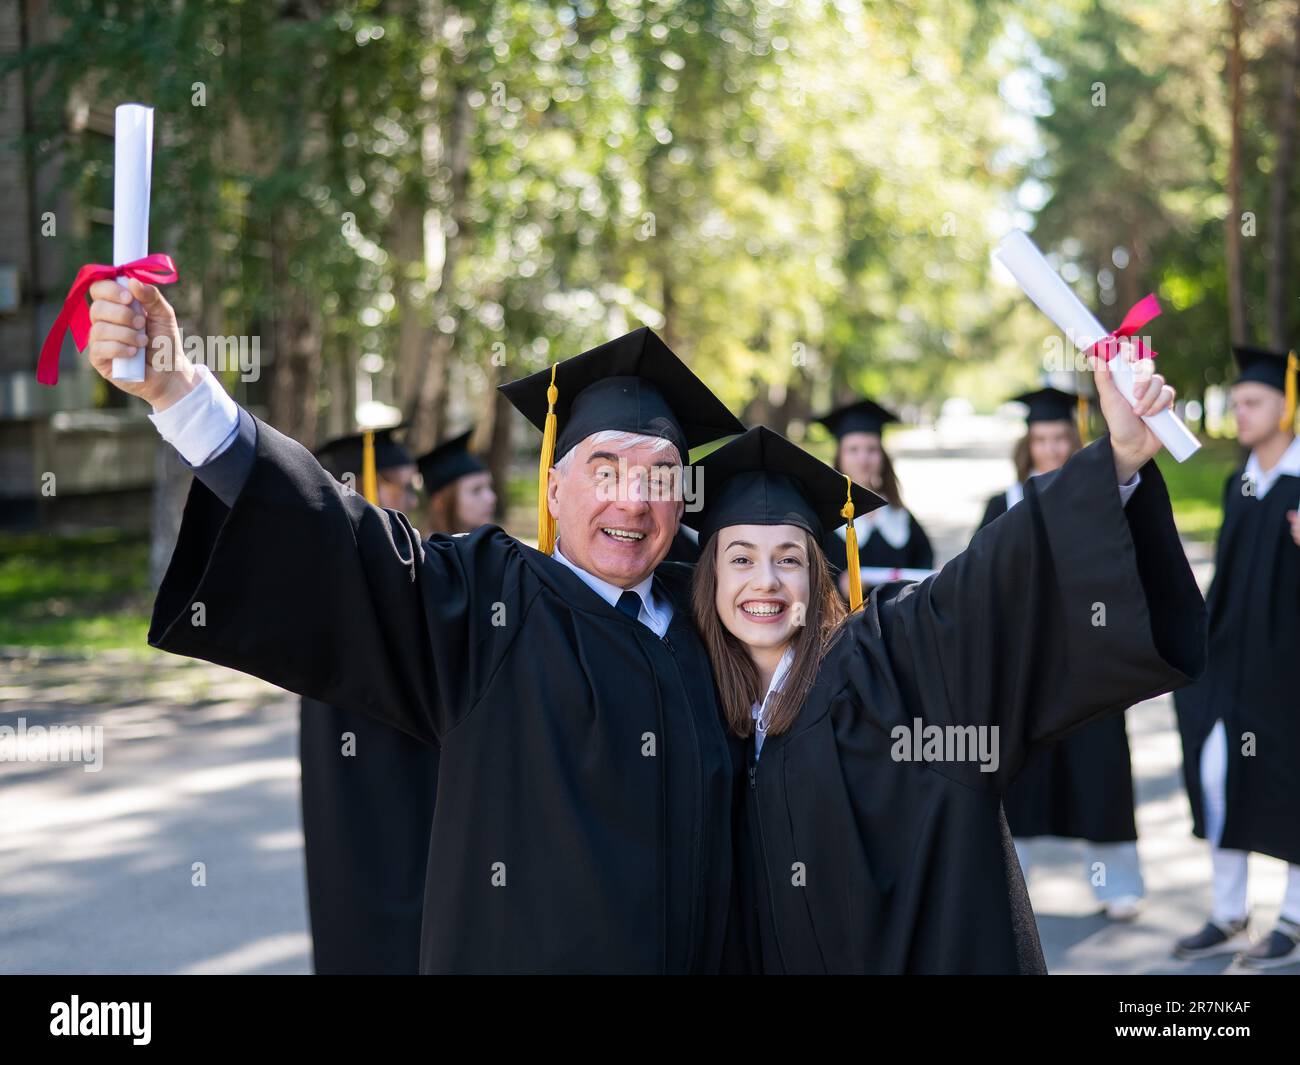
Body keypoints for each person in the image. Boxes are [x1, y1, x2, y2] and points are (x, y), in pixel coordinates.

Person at [83, 275, 746, 973]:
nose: (633, 501)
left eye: (660, 477)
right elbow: (342, 539)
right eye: (605, 470)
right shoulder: (491, 603)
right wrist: (179, 392)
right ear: (554, 486)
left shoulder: (716, 620)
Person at [690, 361, 1204, 973]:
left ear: (819, 570)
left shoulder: (882, 662)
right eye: (741, 559)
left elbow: (985, 579)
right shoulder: (694, 696)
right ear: (710, 576)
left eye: (789, 559)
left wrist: (1115, 460)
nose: (765, 582)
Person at [977, 387, 1146, 921]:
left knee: (1100, 769)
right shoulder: (1002, 502)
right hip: (1025, 659)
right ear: (1027, 445)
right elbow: (979, 582)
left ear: (1074, 440)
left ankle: (1116, 884)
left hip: (1091, 659)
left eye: (1059, 438)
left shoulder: (1098, 494)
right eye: (1040, 439)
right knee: (1018, 769)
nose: (1050, 450)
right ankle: (1010, 882)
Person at [1173, 344, 1300, 968]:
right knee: (1219, 773)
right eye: (1237, 401)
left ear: (1289, 404)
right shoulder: (1239, 482)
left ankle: (1296, 917)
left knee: (1293, 782)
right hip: (1231, 657)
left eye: (1253, 402)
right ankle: (1229, 910)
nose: (1239, 412)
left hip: (1291, 668)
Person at [298, 426, 437, 974]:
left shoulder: (402, 560)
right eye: (395, 484)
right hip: (358, 763)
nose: (406, 497)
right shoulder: (333, 567)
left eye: (409, 484)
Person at [815, 398, 933, 594]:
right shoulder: (824, 519)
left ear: (882, 456)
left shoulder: (898, 514)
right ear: (839, 457)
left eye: (872, 449)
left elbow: (923, 562)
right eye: (853, 450)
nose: (863, 459)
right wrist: (839, 586)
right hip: (843, 621)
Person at [416, 427, 497, 533]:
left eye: (489, 487)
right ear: (440, 501)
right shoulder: (421, 549)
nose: (491, 498)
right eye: (476, 490)